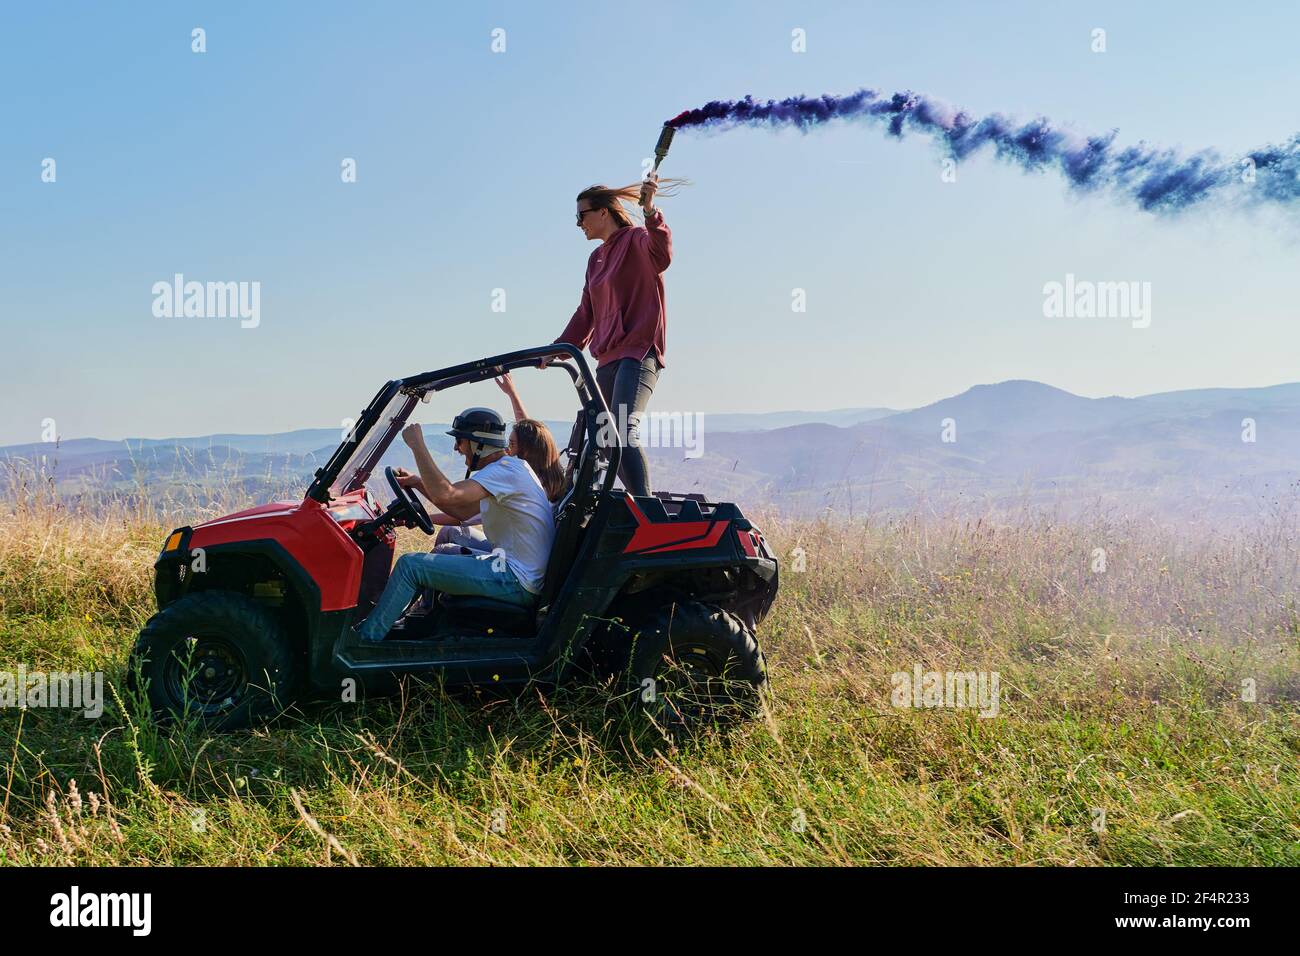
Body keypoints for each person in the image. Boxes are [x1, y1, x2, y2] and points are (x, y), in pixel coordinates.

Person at [354, 407, 555, 643]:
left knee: (411, 566)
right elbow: (462, 512)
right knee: (429, 557)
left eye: (459, 441)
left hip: (516, 581)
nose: (456, 449)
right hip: (516, 572)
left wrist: (418, 446)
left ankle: (363, 643)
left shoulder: (504, 472)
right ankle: (402, 623)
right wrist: (419, 484)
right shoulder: (509, 470)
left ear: (479, 444)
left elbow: (447, 496)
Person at [546, 172, 684, 497]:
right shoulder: (595, 259)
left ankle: (647, 510)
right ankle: (636, 504)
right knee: (604, 438)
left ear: (603, 212)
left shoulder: (637, 239)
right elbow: (585, 315)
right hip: (606, 360)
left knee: (621, 428)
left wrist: (651, 211)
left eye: (581, 215)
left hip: (638, 352)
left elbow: (662, 254)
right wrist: (554, 351)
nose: (578, 223)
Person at [395, 372, 566, 557]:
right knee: (447, 534)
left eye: (511, 445)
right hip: (517, 552)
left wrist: (418, 449)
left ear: (528, 451)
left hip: (514, 561)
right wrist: (512, 393)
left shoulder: (510, 476)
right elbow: (530, 433)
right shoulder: (538, 478)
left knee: (434, 555)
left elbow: (461, 513)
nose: (506, 449)